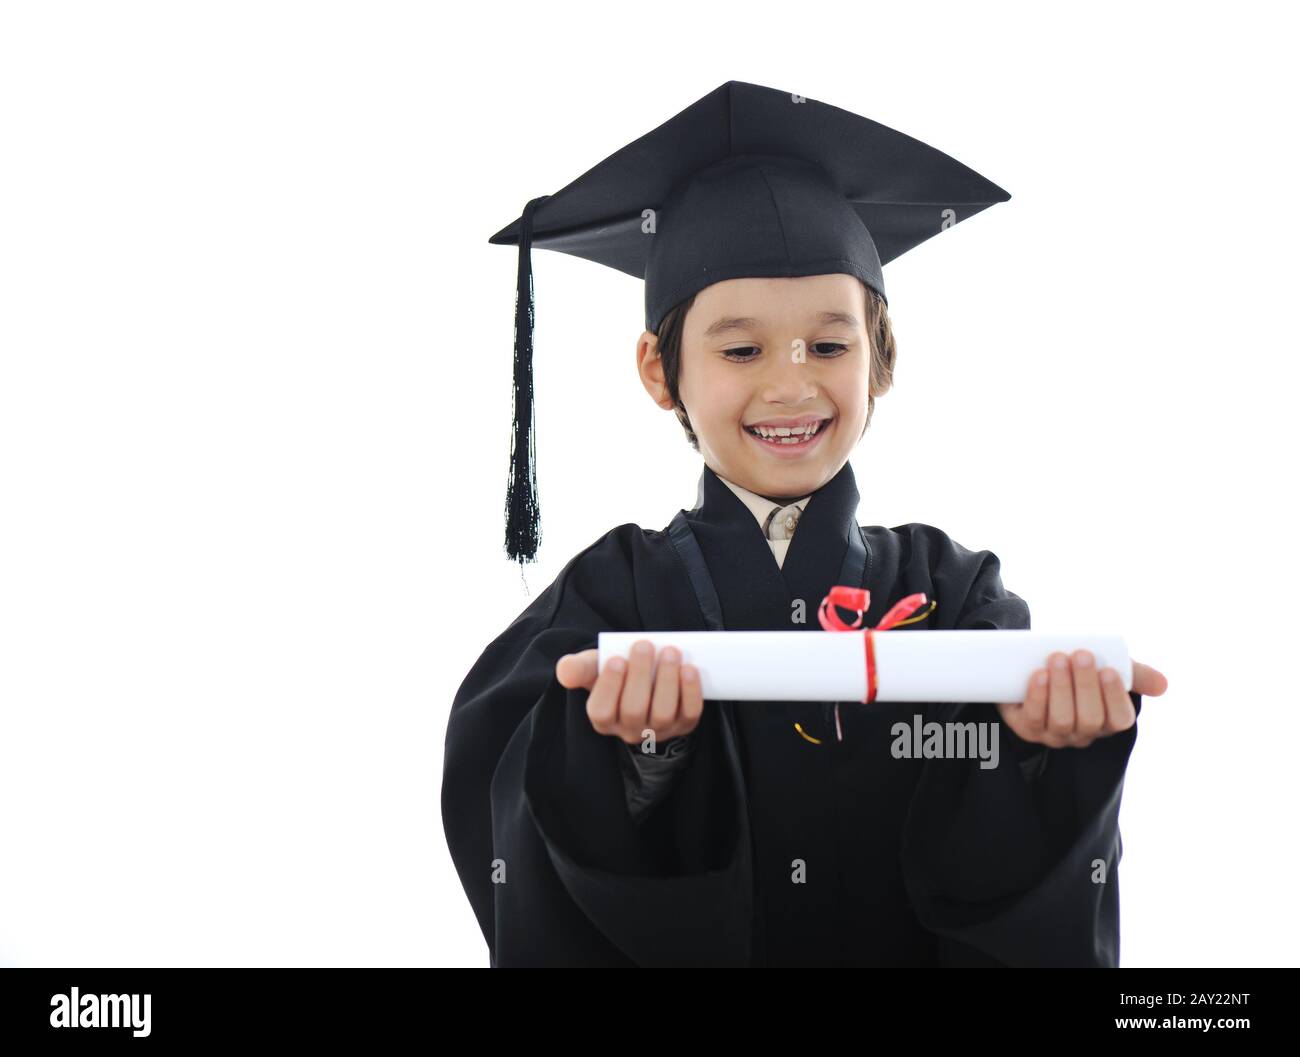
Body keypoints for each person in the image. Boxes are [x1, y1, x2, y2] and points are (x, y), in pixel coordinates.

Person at [441, 80, 1168, 967]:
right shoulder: (612, 594)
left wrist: (1043, 755)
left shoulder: (952, 590)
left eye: (829, 346)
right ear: (659, 372)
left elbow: (1007, 847)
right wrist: (635, 763)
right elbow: (510, 784)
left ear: (881, 359)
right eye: (741, 350)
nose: (790, 385)